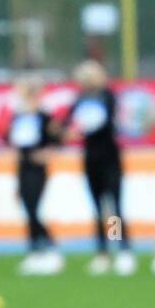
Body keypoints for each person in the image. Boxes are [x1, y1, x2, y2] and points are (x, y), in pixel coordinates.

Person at [61, 61, 134, 275]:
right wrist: (67, 132)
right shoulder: (79, 99)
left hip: (110, 157)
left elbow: (102, 122)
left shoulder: (107, 96)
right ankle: (102, 252)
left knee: (114, 206)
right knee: (97, 207)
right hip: (91, 158)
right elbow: (67, 124)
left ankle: (122, 249)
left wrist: (80, 130)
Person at [7, 74, 63, 275]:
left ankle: (49, 247)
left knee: (34, 209)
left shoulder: (43, 116)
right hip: (23, 166)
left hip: (37, 168)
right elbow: (14, 144)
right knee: (27, 208)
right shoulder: (18, 116)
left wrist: (47, 154)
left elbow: (57, 139)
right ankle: (35, 250)